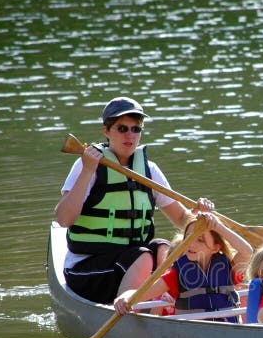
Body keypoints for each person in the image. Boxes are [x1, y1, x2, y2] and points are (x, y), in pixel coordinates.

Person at [55, 96, 214, 304]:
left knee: (163, 248)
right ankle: (128, 311)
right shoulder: (88, 164)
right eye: (122, 128)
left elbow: (182, 218)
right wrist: (87, 170)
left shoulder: (149, 171)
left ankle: (170, 306)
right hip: (87, 271)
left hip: (132, 263)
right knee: (143, 256)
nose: (130, 135)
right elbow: (63, 219)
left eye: (135, 129)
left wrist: (200, 216)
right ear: (106, 131)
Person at [113, 213, 252, 322]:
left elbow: (247, 251)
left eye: (200, 240)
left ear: (216, 248)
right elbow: (142, 293)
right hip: (193, 334)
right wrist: (125, 297)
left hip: (227, 329)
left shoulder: (228, 268)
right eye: (188, 237)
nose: (191, 244)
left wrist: (218, 227)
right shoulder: (176, 274)